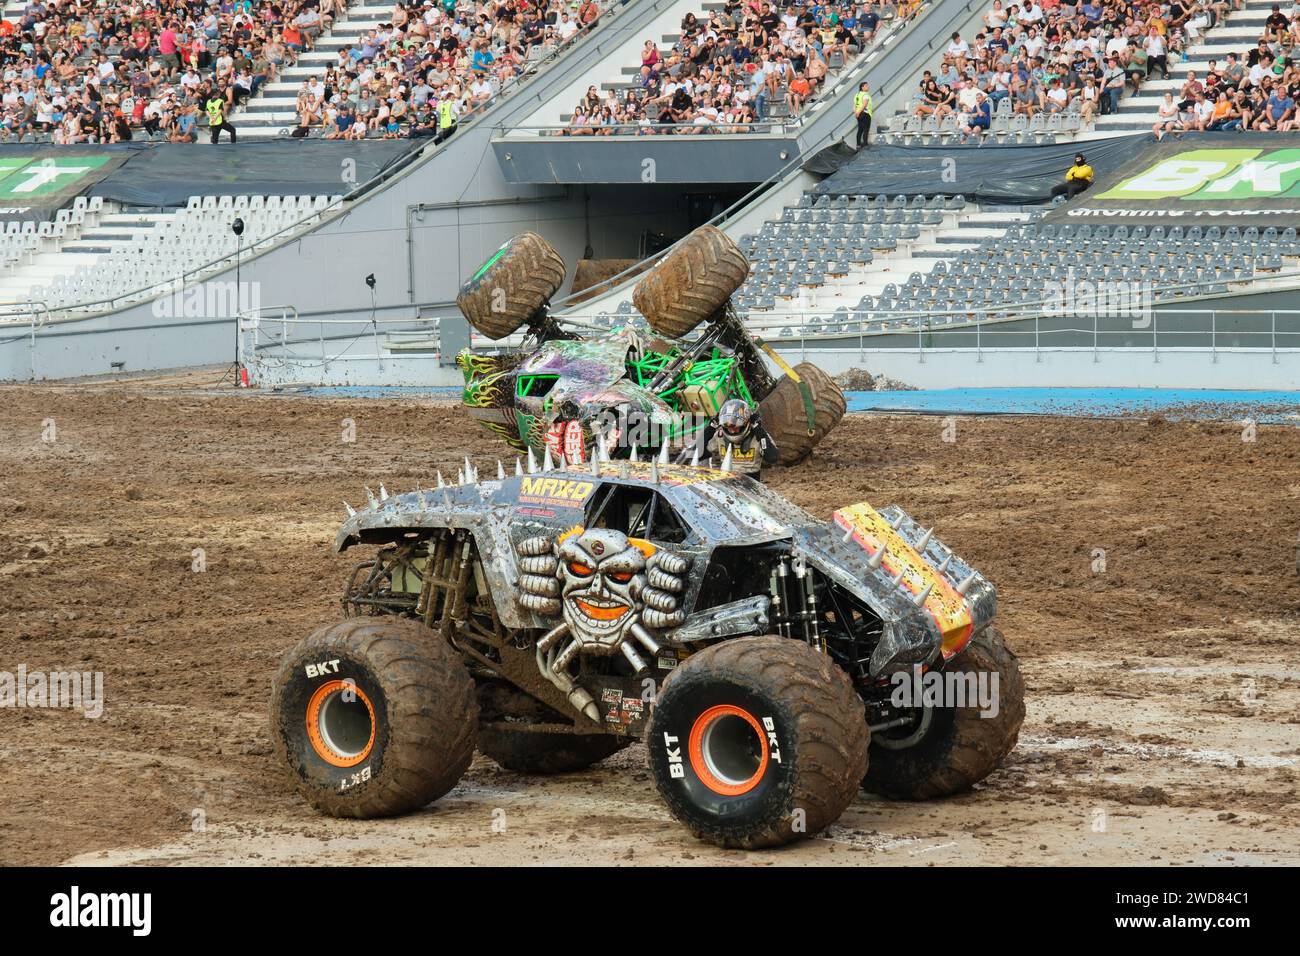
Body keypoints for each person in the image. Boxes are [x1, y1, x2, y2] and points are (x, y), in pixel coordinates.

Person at [677, 399, 779, 479]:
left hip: (751, 484)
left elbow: (772, 458)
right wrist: (711, 428)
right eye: (729, 428)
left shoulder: (758, 435)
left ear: (746, 423)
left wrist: (759, 431)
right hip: (727, 482)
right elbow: (695, 453)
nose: (733, 431)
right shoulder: (720, 436)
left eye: (736, 427)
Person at [853, 80, 873, 147]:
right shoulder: (865, 95)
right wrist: (858, 112)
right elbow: (864, 105)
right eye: (866, 86)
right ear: (862, 87)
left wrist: (856, 113)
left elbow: (854, 105)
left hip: (859, 115)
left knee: (860, 130)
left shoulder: (857, 95)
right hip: (865, 114)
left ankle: (858, 145)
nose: (868, 87)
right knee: (866, 130)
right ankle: (865, 145)